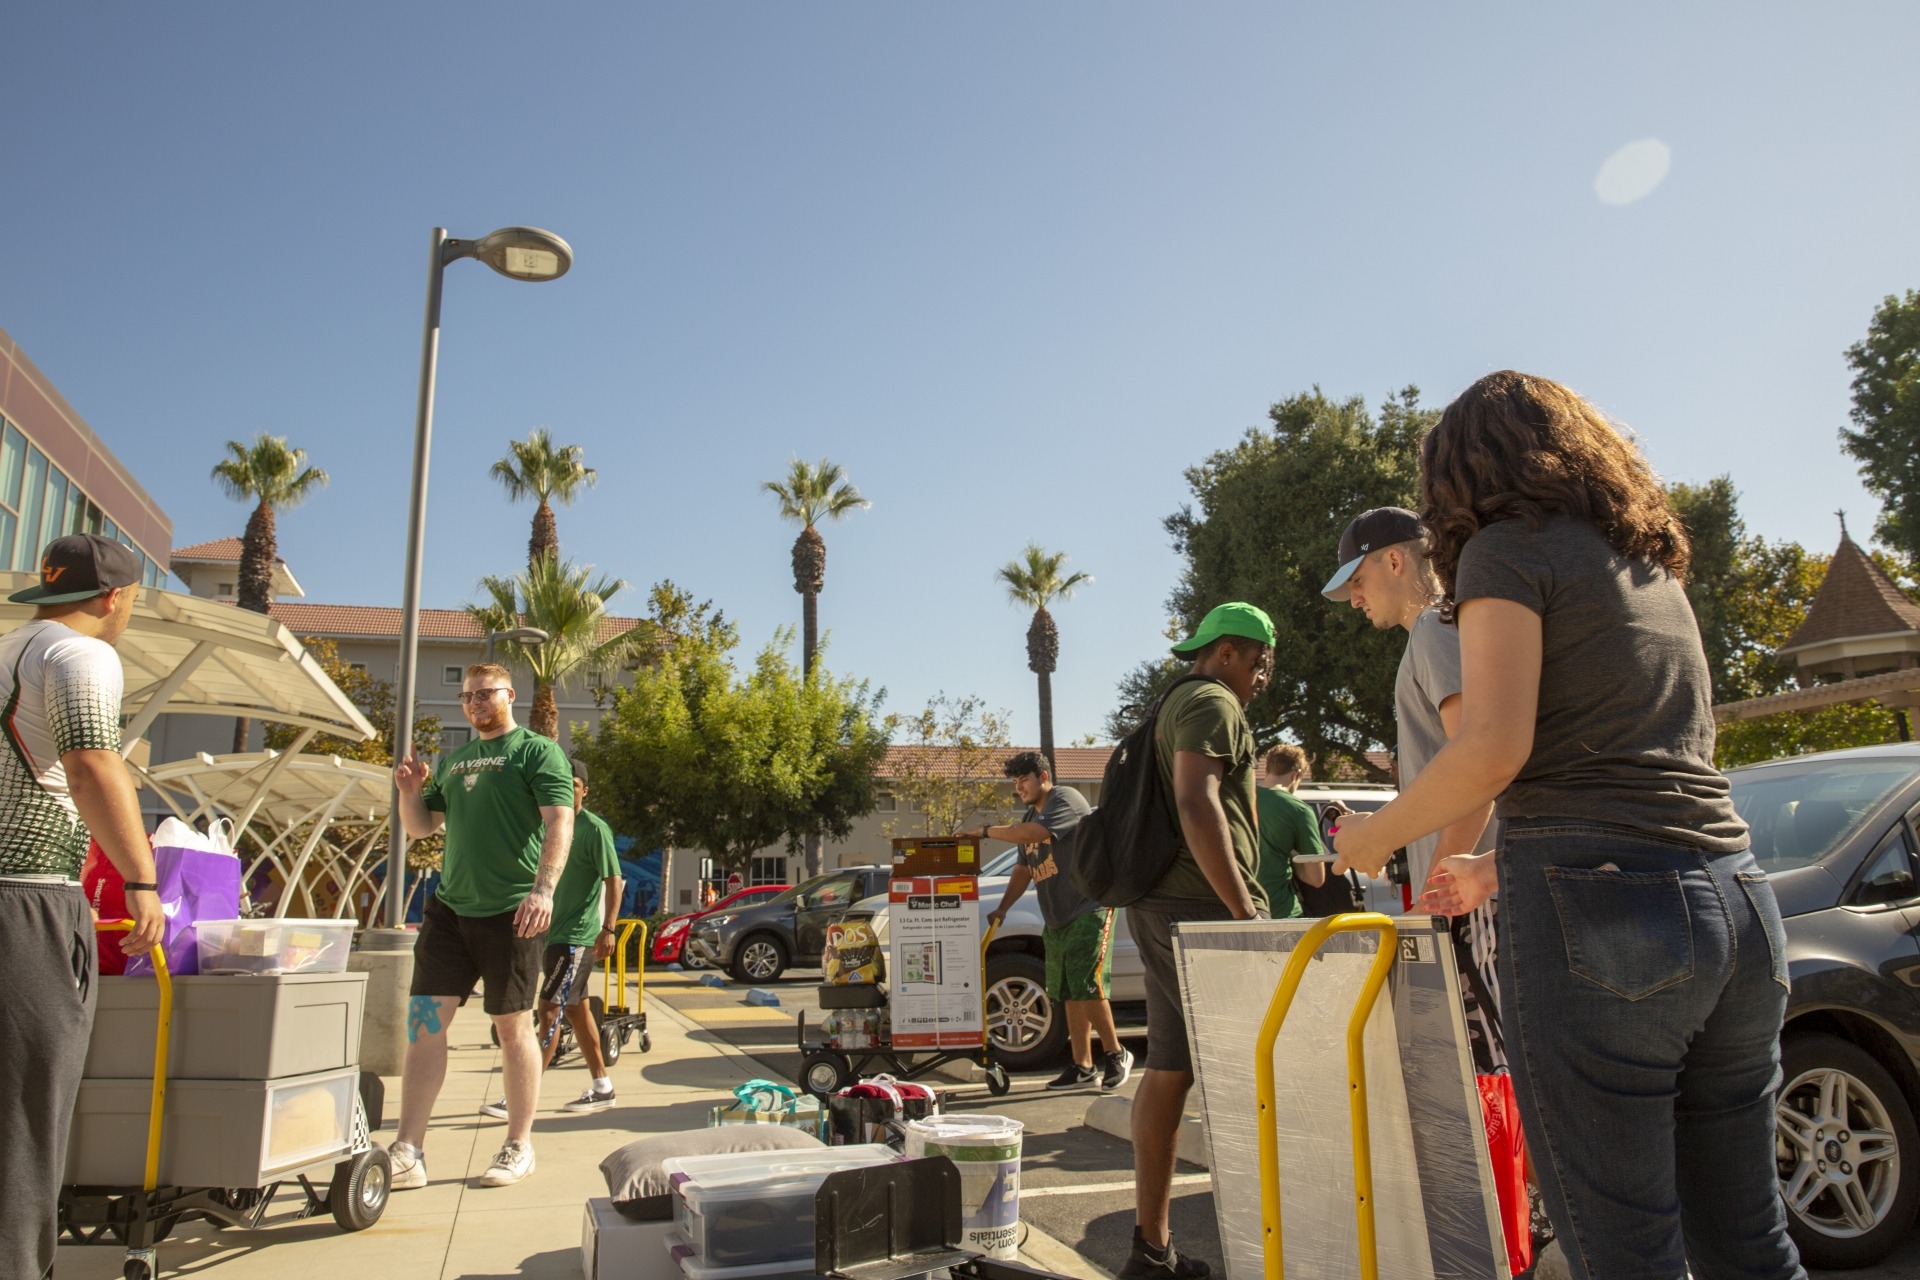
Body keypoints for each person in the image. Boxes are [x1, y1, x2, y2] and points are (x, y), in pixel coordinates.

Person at [1333, 371, 1805, 1280]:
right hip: (1741, 906)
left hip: (1608, 928)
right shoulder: (1648, 567)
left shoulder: (1505, 553)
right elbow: (1644, 783)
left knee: (1625, 1251)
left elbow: (1492, 749)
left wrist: (1377, 837)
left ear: (1463, 470)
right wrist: (1486, 869)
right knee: (1749, 1243)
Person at [0, 535, 164, 1278]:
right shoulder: (81, 655)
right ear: (115, 596)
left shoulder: (9, 648)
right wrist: (141, 879)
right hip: (26, 897)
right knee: (23, 1121)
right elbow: (91, 760)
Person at [1123, 601, 1273, 1280]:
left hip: (1163, 902)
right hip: (1201, 906)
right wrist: (1243, 912)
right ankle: (1273, 1248)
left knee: (1170, 1068)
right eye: (1261, 660)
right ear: (1231, 653)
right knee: (1253, 1072)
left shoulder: (1172, 702)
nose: (1263, 676)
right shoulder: (1213, 701)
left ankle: (1152, 1250)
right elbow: (1196, 801)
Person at [1322, 506, 1503, 1058]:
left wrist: (1436, 903)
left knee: (1494, 1092)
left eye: (1358, 580)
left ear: (1395, 560)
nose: (1354, 599)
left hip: (1475, 906)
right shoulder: (1449, 625)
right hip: (1476, 898)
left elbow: (1478, 767)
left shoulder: (1433, 626)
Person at [391, 662, 576, 1190]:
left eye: (484, 694)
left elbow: (559, 821)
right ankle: (409, 1150)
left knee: (512, 1027)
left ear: (510, 695)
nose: (474, 703)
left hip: (512, 911)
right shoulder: (455, 762)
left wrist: (544, 889)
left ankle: (518, 1145)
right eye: (467, 696)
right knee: (425, 1024)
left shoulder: (536, 752)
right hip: (450, 910)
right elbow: (422, 827)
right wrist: (410, 791)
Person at [972, 751, 1133, 1093]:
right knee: (1066, 992)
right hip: (1057, 916)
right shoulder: (1031, 815)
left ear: (1043, 776)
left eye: (1024, 780)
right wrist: (1002, 908)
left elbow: (1030, 834)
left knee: (1087, 985)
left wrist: (985, 831)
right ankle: (1082, 1066)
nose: (1019, 788)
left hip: (1090, 907)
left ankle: (1116, 1054)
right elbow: (1023, 868)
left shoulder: (1065, 800)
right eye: (1015, 783)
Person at [482, 756, 624, 1118]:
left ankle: (520, 1094)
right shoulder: (546, 826)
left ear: (585, 791)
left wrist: (609, 928)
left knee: (548, 1011)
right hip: (548, 933)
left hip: (576, 937)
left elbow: (614, 881)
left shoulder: (594, 829)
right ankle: (602, 1086)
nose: (568, 792)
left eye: (574, 786)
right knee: (576, 1011)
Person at [1252, 744, 1328, 918]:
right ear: (1296, 775)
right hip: (1280, 911)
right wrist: (1292, 855)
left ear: (1268, 769)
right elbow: (1316, 878)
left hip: (1236, 909)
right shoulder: (1299, 810)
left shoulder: (1237, 797)